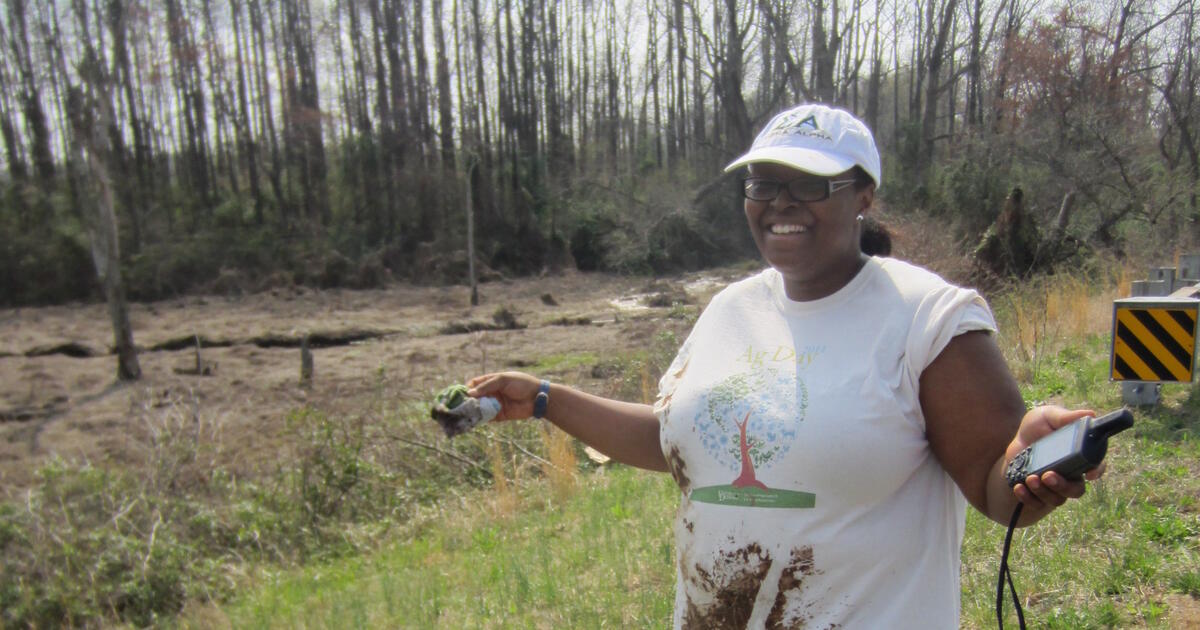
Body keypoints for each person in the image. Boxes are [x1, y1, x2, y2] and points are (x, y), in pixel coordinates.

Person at [465, 103, 1100, 629]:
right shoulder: (729, 310)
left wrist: (1028, 462)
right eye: (763, 184)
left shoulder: (927, 318)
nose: (780, 203)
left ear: (864, 196)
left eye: (810, 185)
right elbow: (675, 442)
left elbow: (997, 488)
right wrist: (545, 397)